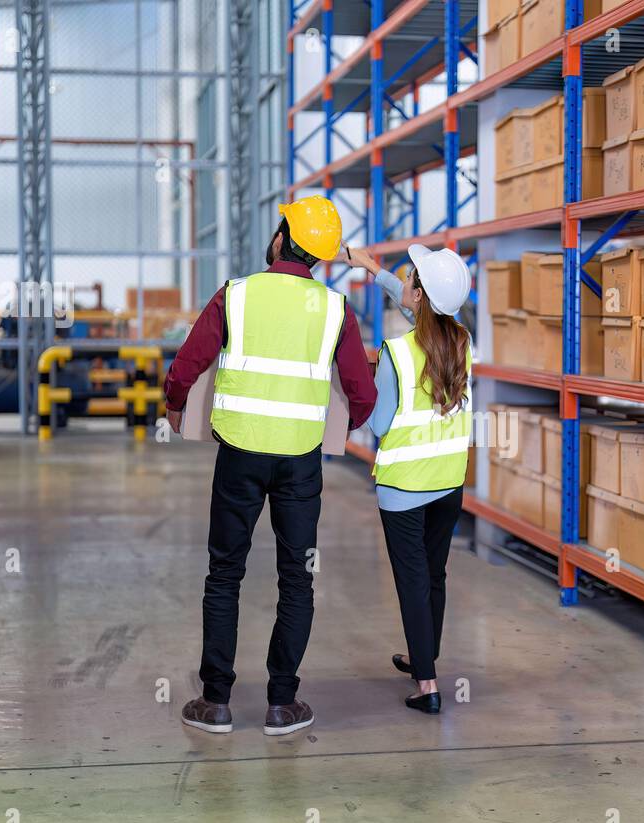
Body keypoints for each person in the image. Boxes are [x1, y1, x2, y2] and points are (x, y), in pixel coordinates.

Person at [164, 197, 377, 736]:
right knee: (297, 578)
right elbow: (362, 392)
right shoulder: (335, 310)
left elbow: (188, 362)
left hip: (239, 454)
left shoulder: (236, 295)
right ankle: (283, 704)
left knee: (224, 573)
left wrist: (174, 404)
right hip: (301, 463)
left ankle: (215, 702)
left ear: (281, 239)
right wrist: (335, 427)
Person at [342, 242, 473, 715]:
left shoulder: (396, 353)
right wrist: (372, 268)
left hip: (403, 488)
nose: (407, 282)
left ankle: (427, 685)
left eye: (411, 278)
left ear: (418, 294)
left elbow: (375, 425)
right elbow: (423, 309)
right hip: (449, 482)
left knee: (411, 582)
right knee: (433, 575)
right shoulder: (461, 342)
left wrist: (363, 381)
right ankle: (425, 656)